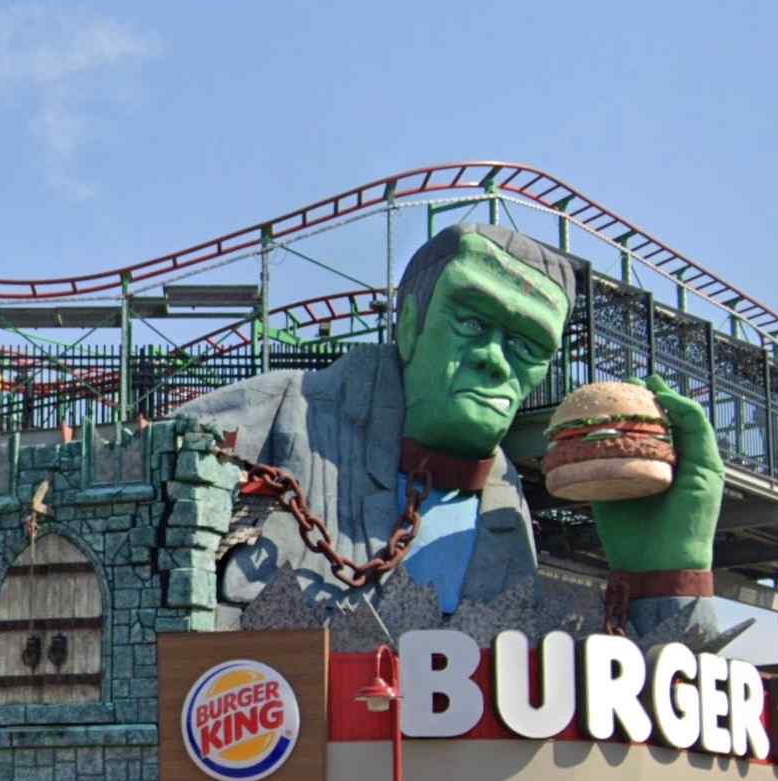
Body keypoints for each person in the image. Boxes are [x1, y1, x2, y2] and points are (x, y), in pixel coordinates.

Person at [175, 224, 736, 651]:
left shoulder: (507, 511)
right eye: (471, 322)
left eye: (527, 345)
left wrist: (667, 574)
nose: (495, 360)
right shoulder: (276, 415)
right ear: (410, 323)